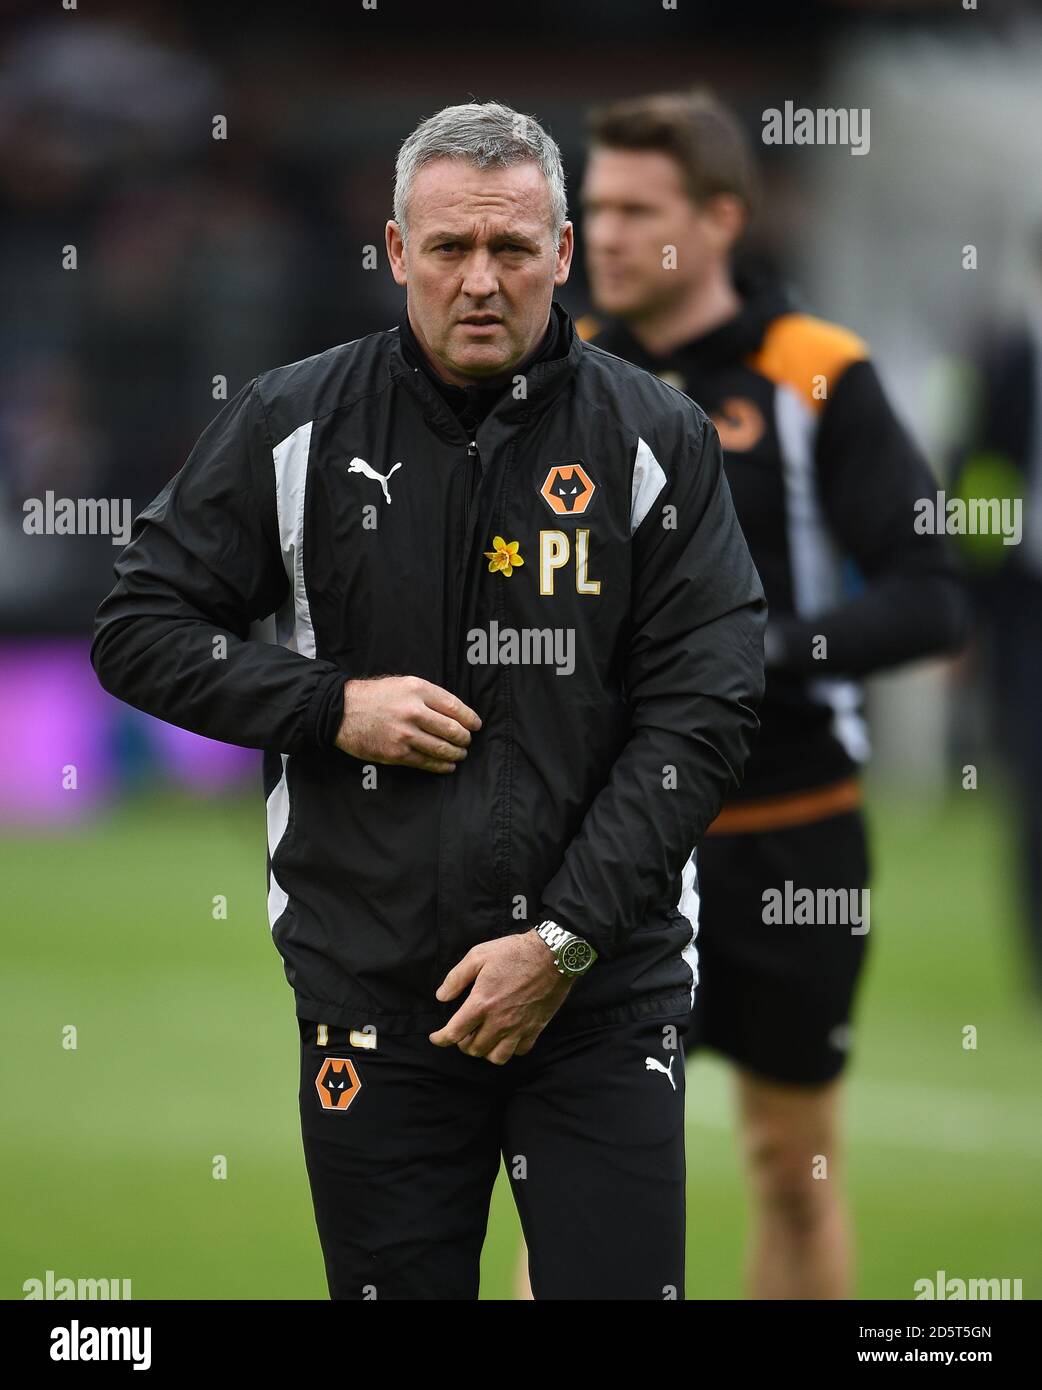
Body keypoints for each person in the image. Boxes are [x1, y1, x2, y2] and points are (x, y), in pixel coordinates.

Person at [89, 100, 766, 1301]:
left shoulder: (654, 437)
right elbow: (139, 629)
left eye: (513, 250)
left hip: (599, 994)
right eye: (449, 248)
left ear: (562, 254)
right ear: (398, 252)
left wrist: (560, 942)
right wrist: (327, 704)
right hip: (376, 999)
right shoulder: (290, 422)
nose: (482, 280)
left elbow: (701, 714)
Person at [570, 89, 967, 1299]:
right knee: (579, 1180)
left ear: (722, 218)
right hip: (616, 844)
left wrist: (747, 653)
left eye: (638, 209)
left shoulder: (816, 374)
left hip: (793, 833)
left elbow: (929, 597)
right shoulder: (563, 373)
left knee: (788, 1172)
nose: (606, 235)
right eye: (593, 208)